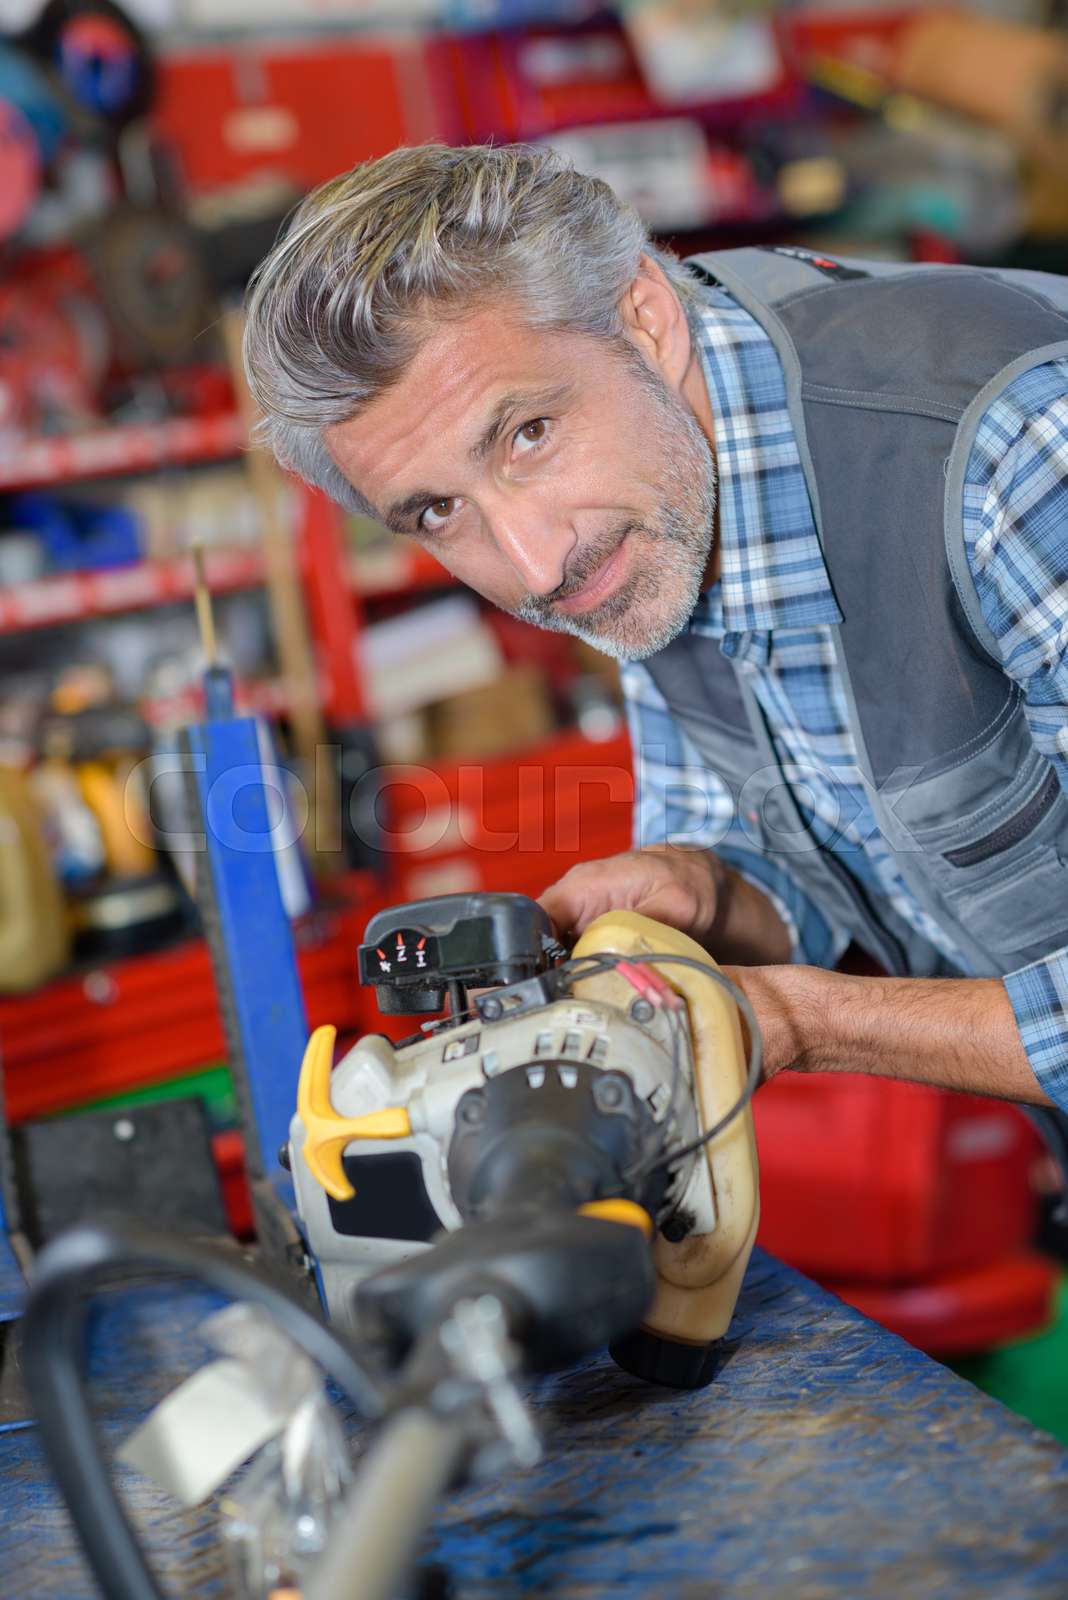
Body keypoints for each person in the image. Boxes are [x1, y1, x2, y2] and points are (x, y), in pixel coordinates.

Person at [243, 142, 1068, 1129]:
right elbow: (833, 872)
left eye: (527, 434)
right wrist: (711, 892)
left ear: (646, 318)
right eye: (436, 512)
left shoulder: (1011, 454)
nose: (533, 564)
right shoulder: (643, 514)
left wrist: (812, 1020)